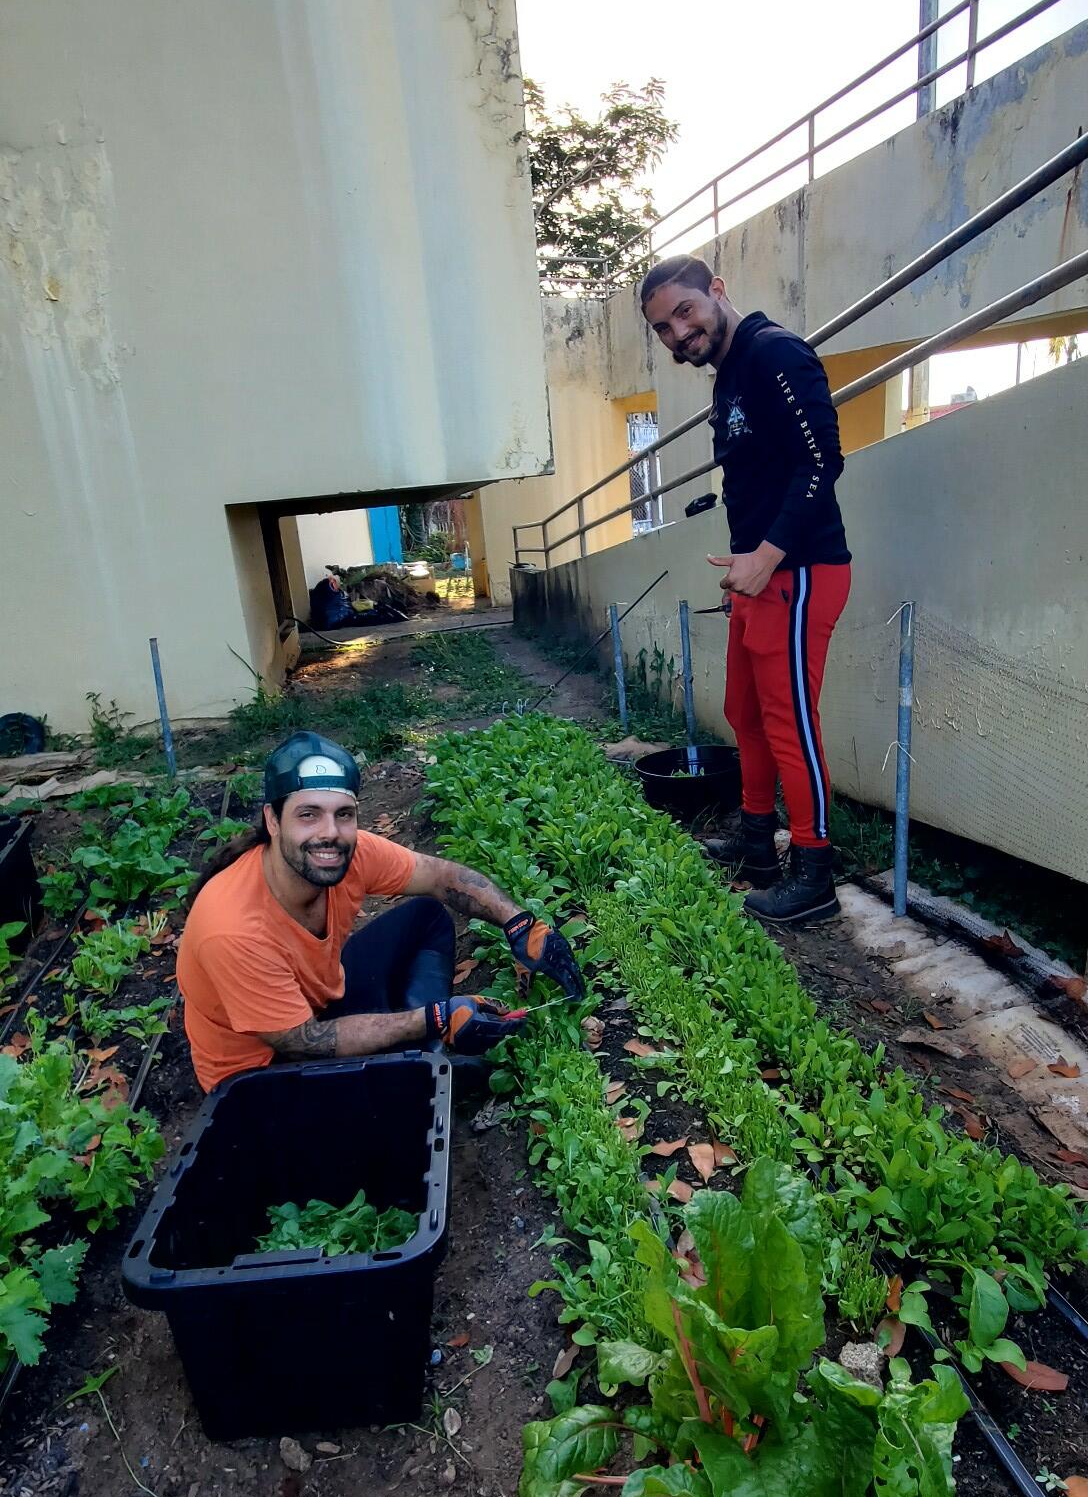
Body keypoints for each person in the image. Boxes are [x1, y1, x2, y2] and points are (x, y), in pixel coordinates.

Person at [177, 731, 584, 1092]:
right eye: (308, 814)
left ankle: (421, 1051)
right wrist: (436, 1017)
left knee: (426, 916)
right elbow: (304, 1041)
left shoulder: (348, 854)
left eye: (344, 814)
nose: (329, 833)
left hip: (316, 1004)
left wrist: (521, 924)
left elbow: (440, 877)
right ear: (273, 819)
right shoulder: (232, 928)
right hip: (264, 1076)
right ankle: (420, 1057)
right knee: (457, 1083)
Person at [641, 255, 851, 926]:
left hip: (801, 571)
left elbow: (822, 460)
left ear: (717, 292)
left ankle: (814, 873)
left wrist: (768, 554)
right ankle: (758, 843)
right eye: (664, 328)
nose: (679, 333)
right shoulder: (730, 374)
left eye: (684, 311)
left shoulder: (774, 353)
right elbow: (756, 477)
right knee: (745, 711)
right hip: (758, 575)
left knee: (792, 726)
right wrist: (746, 567)